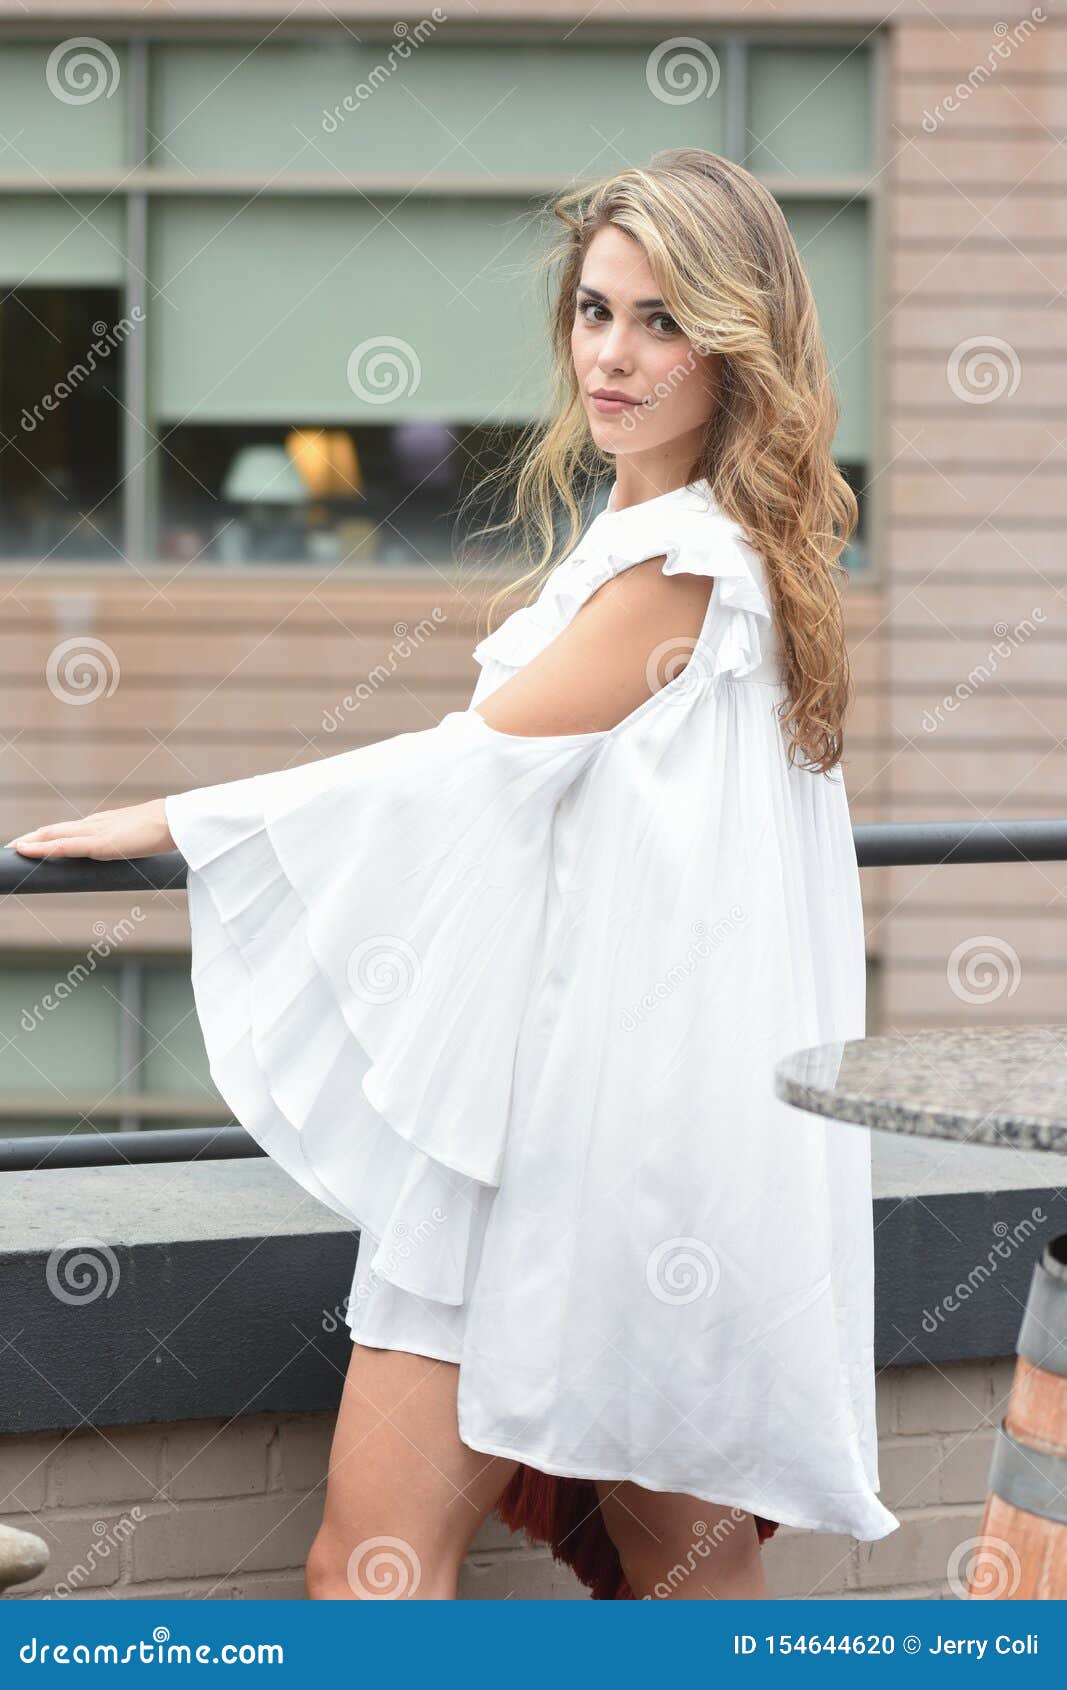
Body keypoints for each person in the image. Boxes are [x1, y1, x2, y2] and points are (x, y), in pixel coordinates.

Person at [6, 149, 900, 1601]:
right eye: (596, 311)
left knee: (453, 1569)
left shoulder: (687, 565)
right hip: (545, 1127)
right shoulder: (663, 545)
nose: (613, 355)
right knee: (565, 1568)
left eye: (664, 321)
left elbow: (468, 769)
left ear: (737, 347)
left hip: (586, 1157)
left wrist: (173, 817)